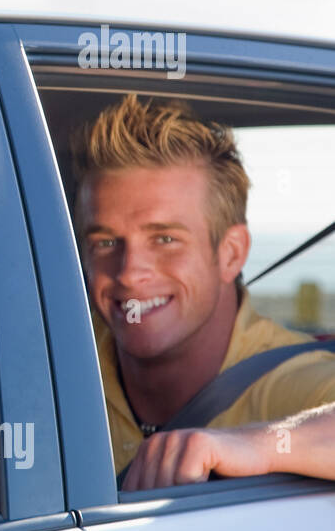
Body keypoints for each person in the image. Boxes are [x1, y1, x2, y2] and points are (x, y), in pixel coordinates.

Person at [72, 93, 335, 490]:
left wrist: (258, 443)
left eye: (164, 238)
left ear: (231, 254)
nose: (129, 273)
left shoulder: (289, 382)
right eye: (105, 243)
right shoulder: (59, 363)